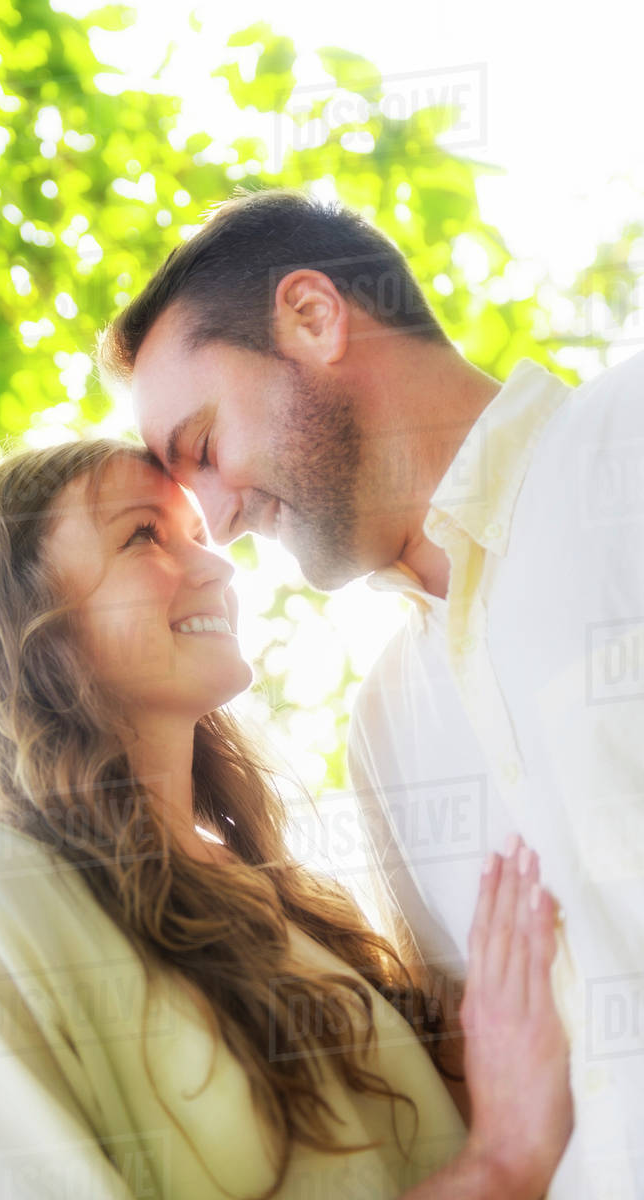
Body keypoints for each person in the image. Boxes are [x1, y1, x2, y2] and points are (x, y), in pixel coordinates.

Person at [99, 187, 644, 1197]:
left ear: (313, 317)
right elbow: (481, 1095)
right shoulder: (388, 734)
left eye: (206, 449)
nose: (213, 523)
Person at [0, 438, 570, 1199]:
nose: (218, 567)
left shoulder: (282, 899)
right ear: (29, 617)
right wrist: (500, 1162)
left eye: (196, 535)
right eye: (142, 536)